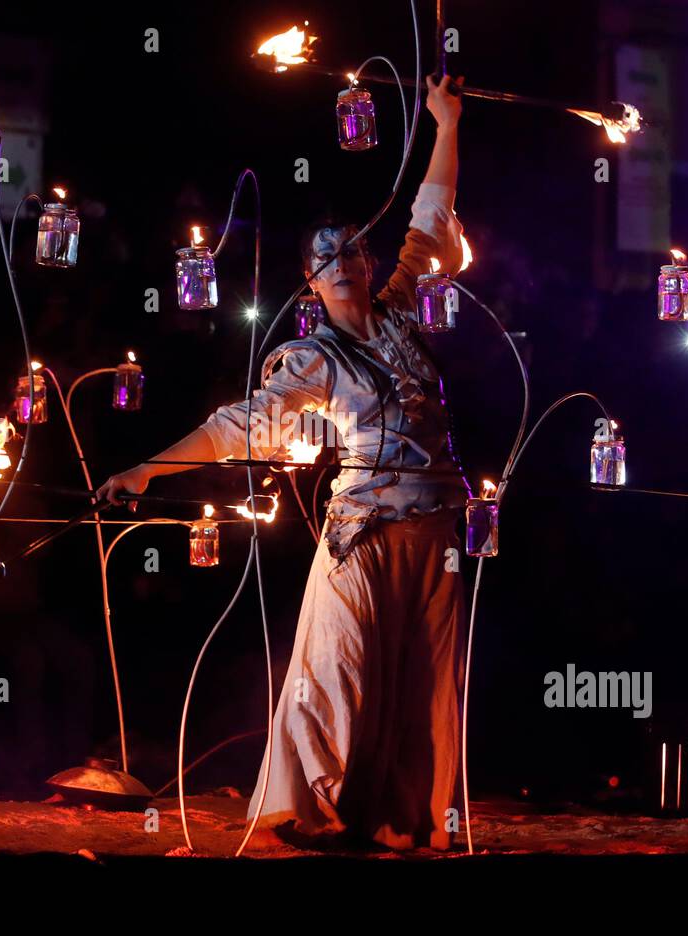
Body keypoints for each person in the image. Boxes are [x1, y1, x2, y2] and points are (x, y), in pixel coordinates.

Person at [99, 75, 469, 850]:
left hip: (437, 528)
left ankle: (405, 820)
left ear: (368, 261)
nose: (341, 262)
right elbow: (239, 428)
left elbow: (430, 220)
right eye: (324, 256)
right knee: (337, 675)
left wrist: (444, 122)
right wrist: (148, 470)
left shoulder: (404, 308)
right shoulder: (312, 358)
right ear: (310, 278)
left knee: (427, 685)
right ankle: (308, 815)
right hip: (362, 532)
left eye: (351, 250)